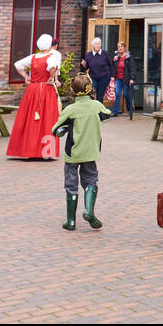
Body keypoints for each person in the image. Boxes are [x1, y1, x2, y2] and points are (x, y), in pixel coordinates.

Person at [52, 75, 112, 230]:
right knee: (91, 180)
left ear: (73, 91)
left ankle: (71, 221)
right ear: (90, 89)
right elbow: (107, 115)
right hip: (90, 152)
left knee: (71, 185)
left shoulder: (70, 109)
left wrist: (64, 128)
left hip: (73, 153)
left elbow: (55, 130)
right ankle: (89, 210)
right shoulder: (96, 106)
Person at [7, 34, 63, 159]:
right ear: (49, 45)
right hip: (46, 89)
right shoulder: (52, 56)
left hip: (32, 89)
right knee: (47, 119)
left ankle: (29, 150)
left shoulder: (33, 57)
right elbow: (52, 67)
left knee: (30, 119)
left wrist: (26, 76)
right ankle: (46, 152)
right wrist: (52, 77)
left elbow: (17, 65)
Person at [81, 38, 114, 108]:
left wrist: (112, 76)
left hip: (104, 77)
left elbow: (110, 65)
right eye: (96, 44)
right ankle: (92, 111)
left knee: (100, 96)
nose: (98, 45)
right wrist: (84, 65)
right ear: (93, 46)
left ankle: (99, 113)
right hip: (93, 78)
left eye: (99, 44)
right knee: (92, 95)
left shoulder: (105, 53)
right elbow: (86, 67)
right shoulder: (89, 54)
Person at [112, 41, 134, 118]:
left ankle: (129, 109)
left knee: (125, 94)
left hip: (126, 79)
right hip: (118, 78)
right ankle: (115, 112)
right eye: (119, 47)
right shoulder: (116, 57)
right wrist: (113, 61)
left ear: (124, 48)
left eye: (121, 46)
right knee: (117, 94)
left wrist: (132, 78)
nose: (120, 48)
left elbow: (132, 68)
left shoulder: (128, 57)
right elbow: (112, 67)